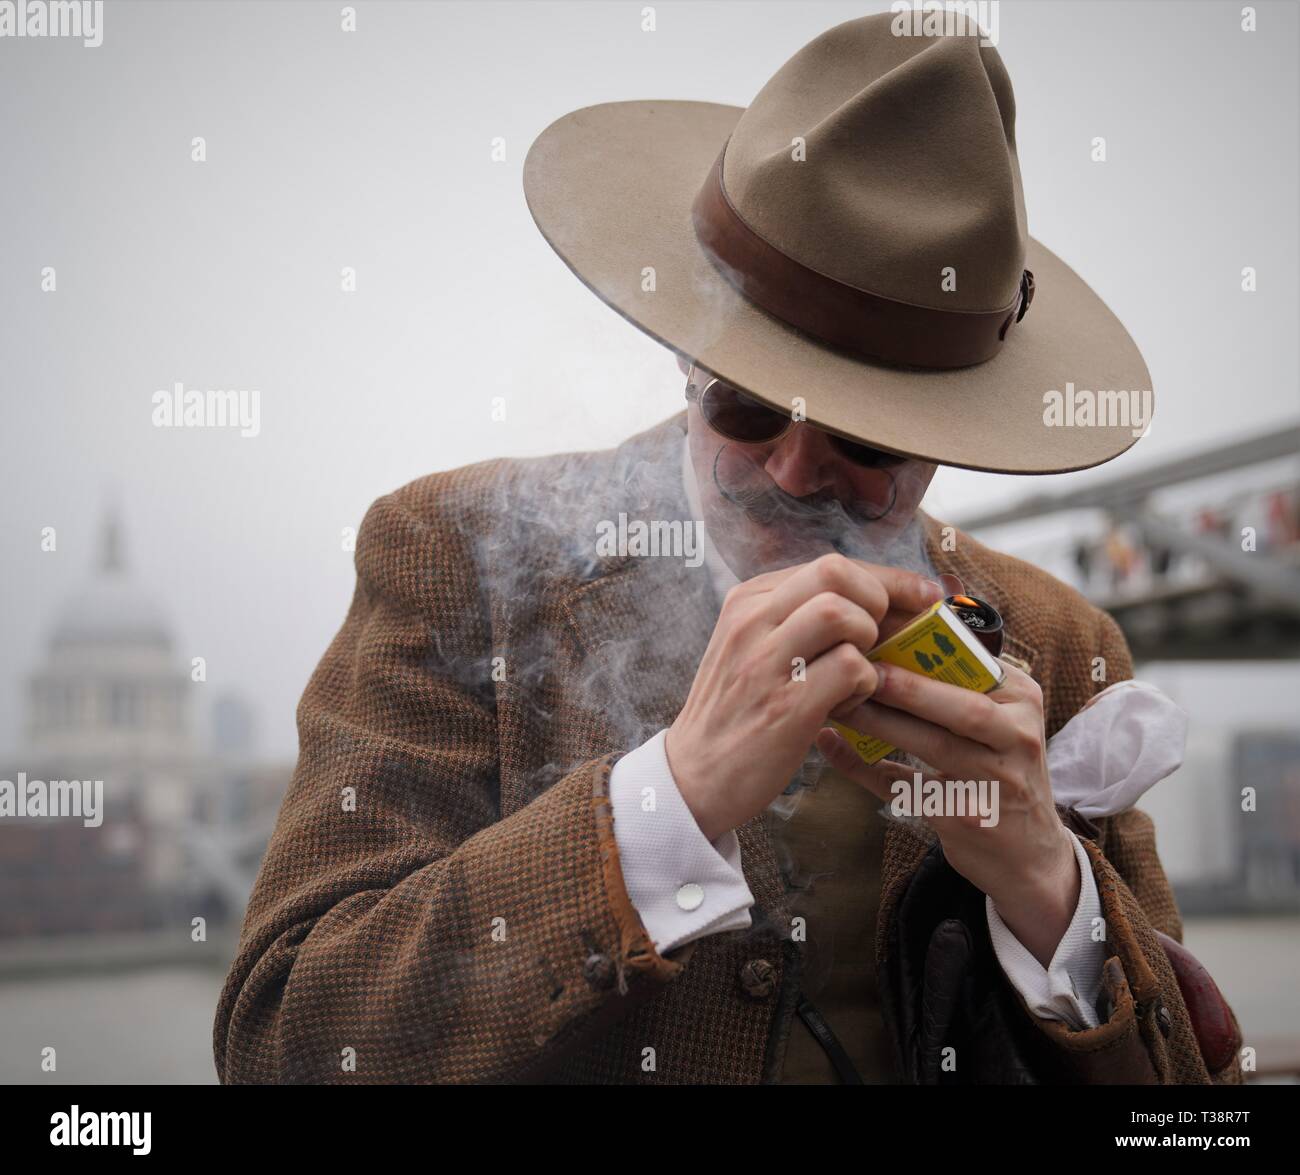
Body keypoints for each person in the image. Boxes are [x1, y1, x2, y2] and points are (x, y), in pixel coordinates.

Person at [214, 12, 1243, 1084]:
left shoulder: (1056, 639)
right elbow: (285, 1033)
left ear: (953, 431)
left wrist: (1042, 879)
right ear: (687, 356)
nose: (795, 472)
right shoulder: (450, 560)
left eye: (864, 435)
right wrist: (667, 798)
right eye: (746, 404)